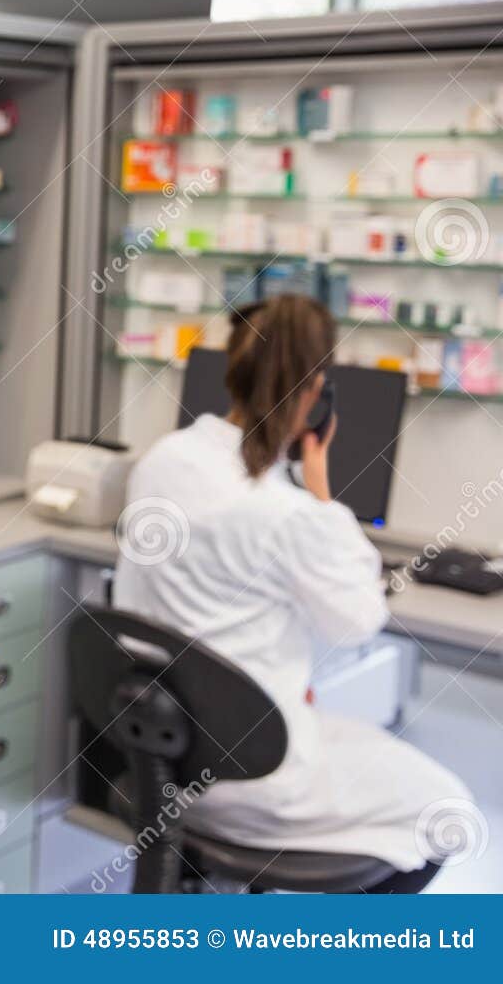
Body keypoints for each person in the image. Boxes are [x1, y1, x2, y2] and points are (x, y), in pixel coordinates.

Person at [112, 294, 475, 892]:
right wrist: (323, 492)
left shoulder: (162, 461)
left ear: (233, 370)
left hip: (162, 762)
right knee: (448, 812)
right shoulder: (290, 515)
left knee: (332, 728)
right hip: (253, 783)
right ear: (315, 397)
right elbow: (359, 622)